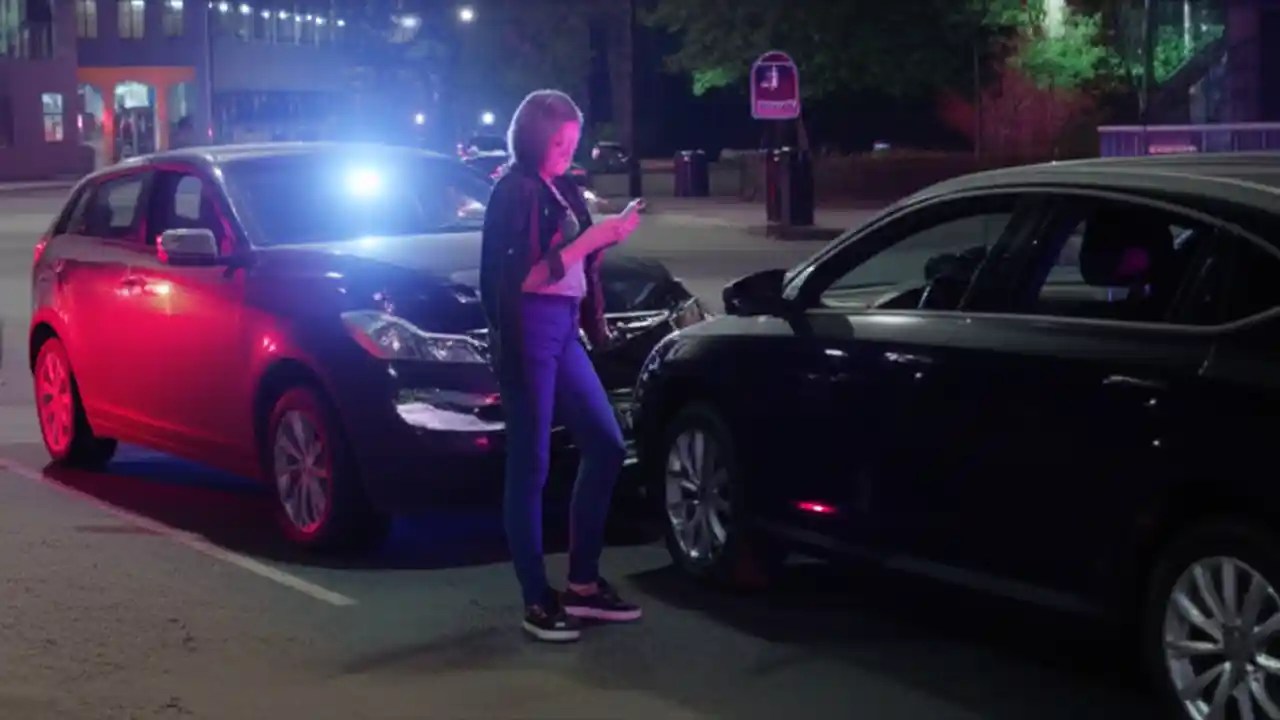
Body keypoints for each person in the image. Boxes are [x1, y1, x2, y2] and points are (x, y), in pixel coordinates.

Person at [480, 89, 644, 642]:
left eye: (572, 141)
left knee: (606, 443)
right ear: (530, 138)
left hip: (565, 328)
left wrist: (609, 234)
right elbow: (520, 278)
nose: (566, 151)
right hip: (529, 328)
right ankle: (536, 597)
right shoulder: (514, 191)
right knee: (531, 464)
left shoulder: (561, 187)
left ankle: (583, 583)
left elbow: (574, 263)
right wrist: (590, 240)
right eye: (557, 141)